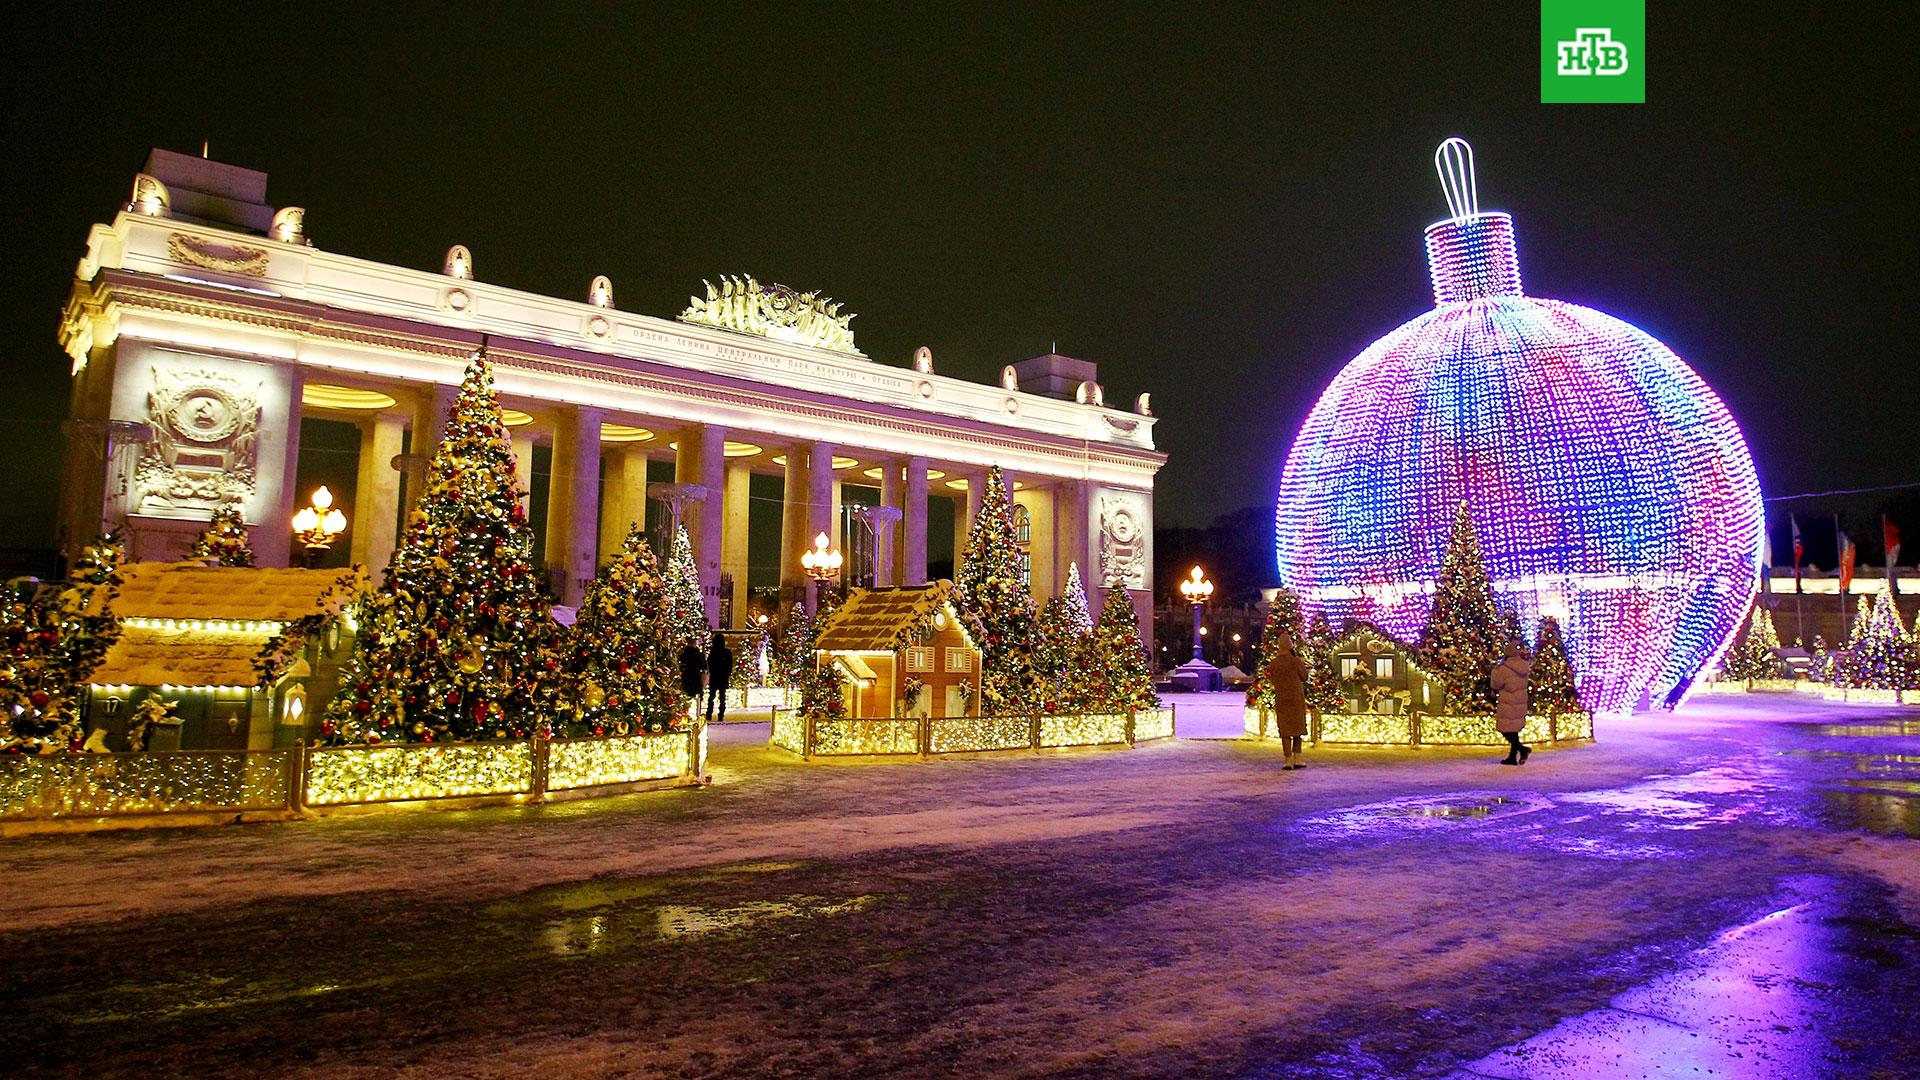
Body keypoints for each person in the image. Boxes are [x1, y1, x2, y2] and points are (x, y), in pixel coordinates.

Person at [1265, 633, 1311, 770]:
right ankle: (1298, 759)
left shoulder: (1274, 663)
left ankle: (1287, 760)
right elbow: (1304, 677)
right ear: (1290, 645)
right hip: (1296, 698)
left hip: (1282, 698)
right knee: (1297, 730)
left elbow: (1272, 680)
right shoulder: (1295, 661)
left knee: (1285, 731)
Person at [1490, 643, 1534, 765]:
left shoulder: (1503, 668)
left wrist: (1494, 672)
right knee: (1513, 730)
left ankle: (1522, 749)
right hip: (1520, 701)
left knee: (1505, 729)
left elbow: (1496, 685)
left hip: (1508, 701)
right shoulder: (1523, 666)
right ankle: (1512, 757)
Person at [706, 632, 734, 724]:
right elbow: (730, 665)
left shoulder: (713, 652)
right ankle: (721, 715)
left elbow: (709, 664)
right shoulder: (726, 652)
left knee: (712, 696)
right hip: (723, 677)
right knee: (722, 697)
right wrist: (727, 673)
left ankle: (709, 713)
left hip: (714, 676)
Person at [678, 639, 706, 720]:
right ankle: (696, 715)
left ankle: (687, 715)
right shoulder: (699, 655)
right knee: (697, 696)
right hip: (696, 678)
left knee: (687, 696)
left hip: (686, 677)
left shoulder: (683, 654)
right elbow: (703, 666)